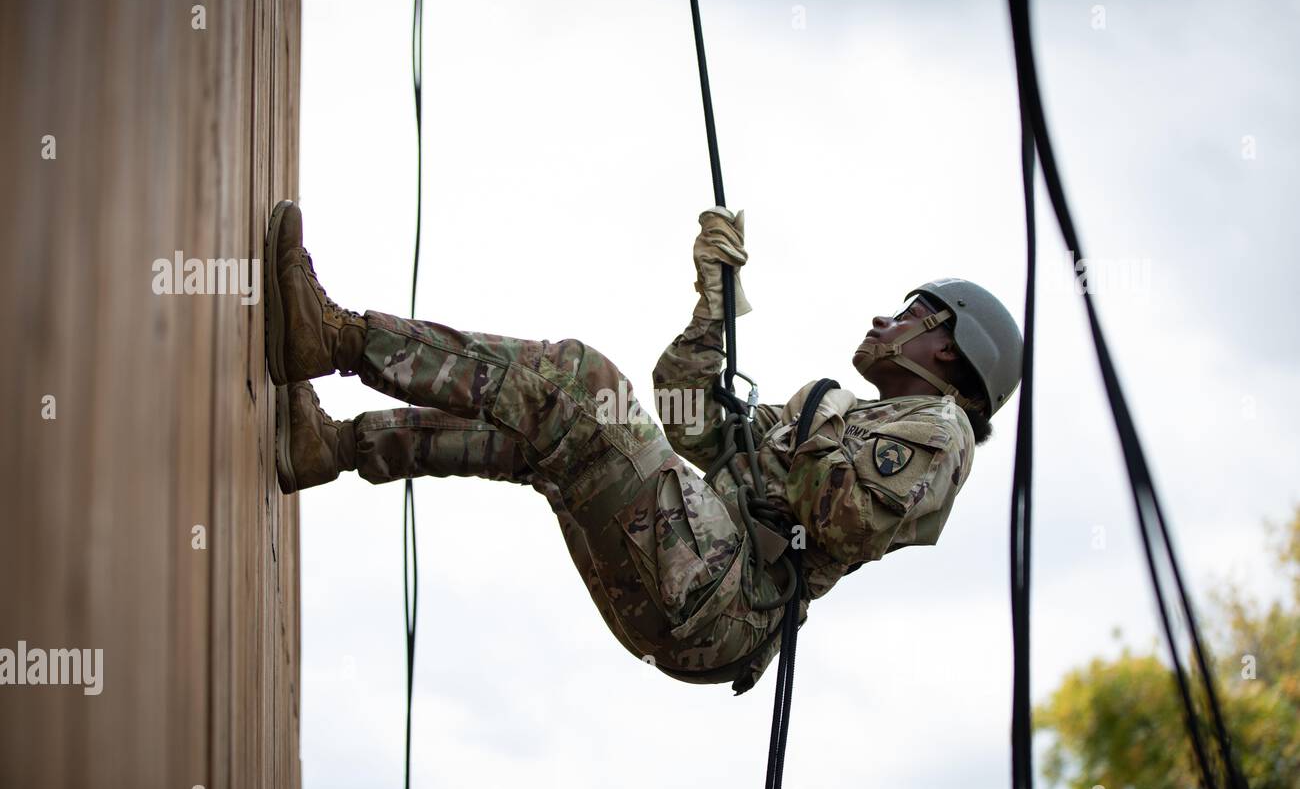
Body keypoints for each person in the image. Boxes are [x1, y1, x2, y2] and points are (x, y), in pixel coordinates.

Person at [264, 201, 1023, 695]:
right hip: (701, 584)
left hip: (720, 598)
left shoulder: (940, 431)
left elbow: (842, 518)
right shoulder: (846, 415)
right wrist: (714, 309)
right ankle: (329, 446)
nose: (884, 319)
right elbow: (688, 417)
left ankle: (333, 337)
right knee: (548, 439)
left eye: (909, 314)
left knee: (578, 381)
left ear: (952, 349)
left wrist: (816, 410)